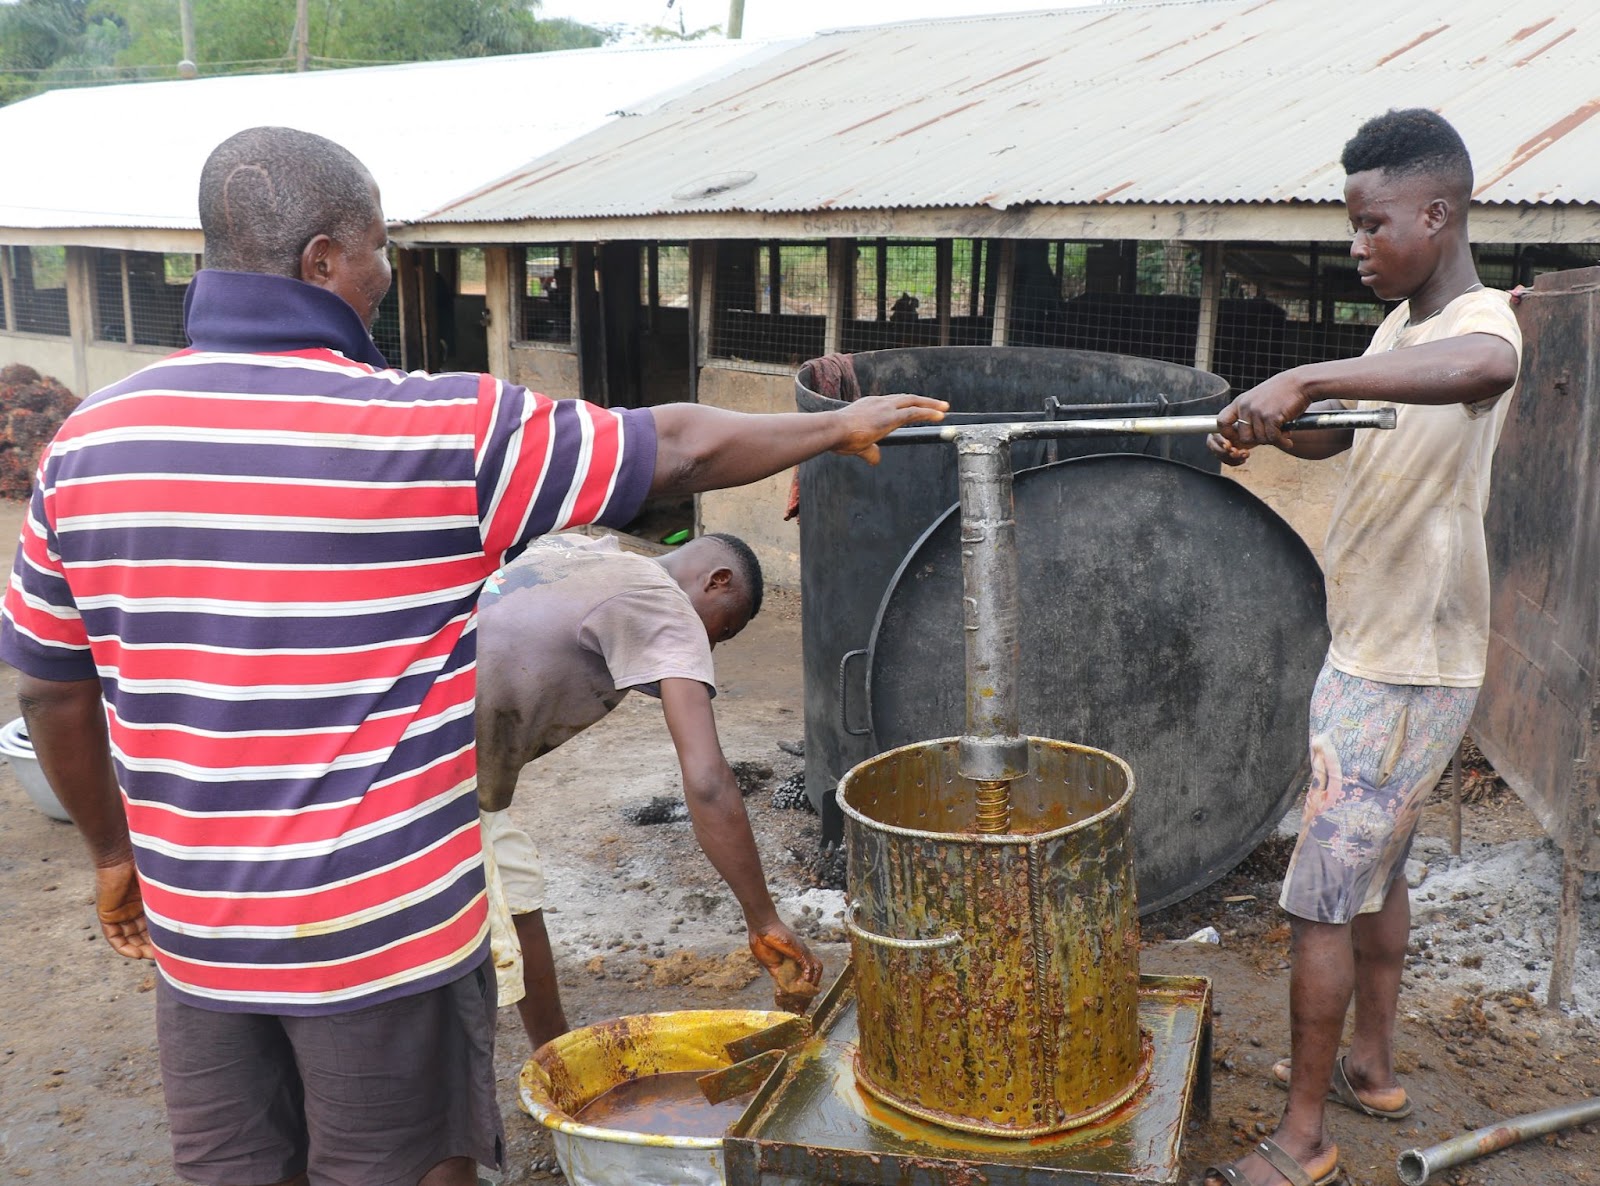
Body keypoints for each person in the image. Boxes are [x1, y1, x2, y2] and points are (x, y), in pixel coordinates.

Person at [0, 125, 943, 1186]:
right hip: (384, 930)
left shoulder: (88, 445)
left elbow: (50, 691)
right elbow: (676, 447)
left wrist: (113, 854)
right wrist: (833, 427)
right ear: (323, 260)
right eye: (379, 246)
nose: (386, 268)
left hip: (201, 938)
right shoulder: (435, 429)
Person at [1200, 110, 1521, 1186]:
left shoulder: (1478, 322)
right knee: (1377, 873)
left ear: (1436, 214)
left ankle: (1302, 1140)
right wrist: (1276, 423)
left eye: (1371, 224)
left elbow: (1484, 367)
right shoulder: (1396, 332)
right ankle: (1371, 1068)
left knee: (1318, 899)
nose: (1356, 244)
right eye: (1353, 225)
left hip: (1399, 667)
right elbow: (1344, 428)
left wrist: (1305, 374)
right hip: (1384, 646)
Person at [474, 531, 821, 1049]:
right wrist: (763, 918)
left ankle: (557, 1059)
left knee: (515, 892)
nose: (707, 649)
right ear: (717, 581)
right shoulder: (664, 604)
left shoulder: (577, 549)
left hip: (404, 742)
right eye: (722, 630)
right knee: (444, 958)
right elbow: (707, 782)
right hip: (429, 784)